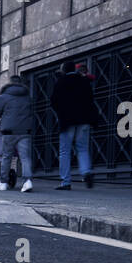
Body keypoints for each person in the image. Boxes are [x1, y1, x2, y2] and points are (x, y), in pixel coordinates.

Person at [50, 61, 96, 190]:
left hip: (67, 121)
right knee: (83, 148)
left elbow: (53, 101)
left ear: (63, 70)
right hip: (84, 120)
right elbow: (90, 100)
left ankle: (66, 182)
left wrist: (61, 113)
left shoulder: (61, 82)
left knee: (65, 151)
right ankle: (86, 172)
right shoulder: (84, 81)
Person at [0, 75, 35, 192]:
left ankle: (3, 182)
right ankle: (27, 181)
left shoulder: (3, 97)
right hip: (25, 131)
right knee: (25, 157)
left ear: (9, 84)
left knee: (7, 156)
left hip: (9, 131)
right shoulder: (28, 97)